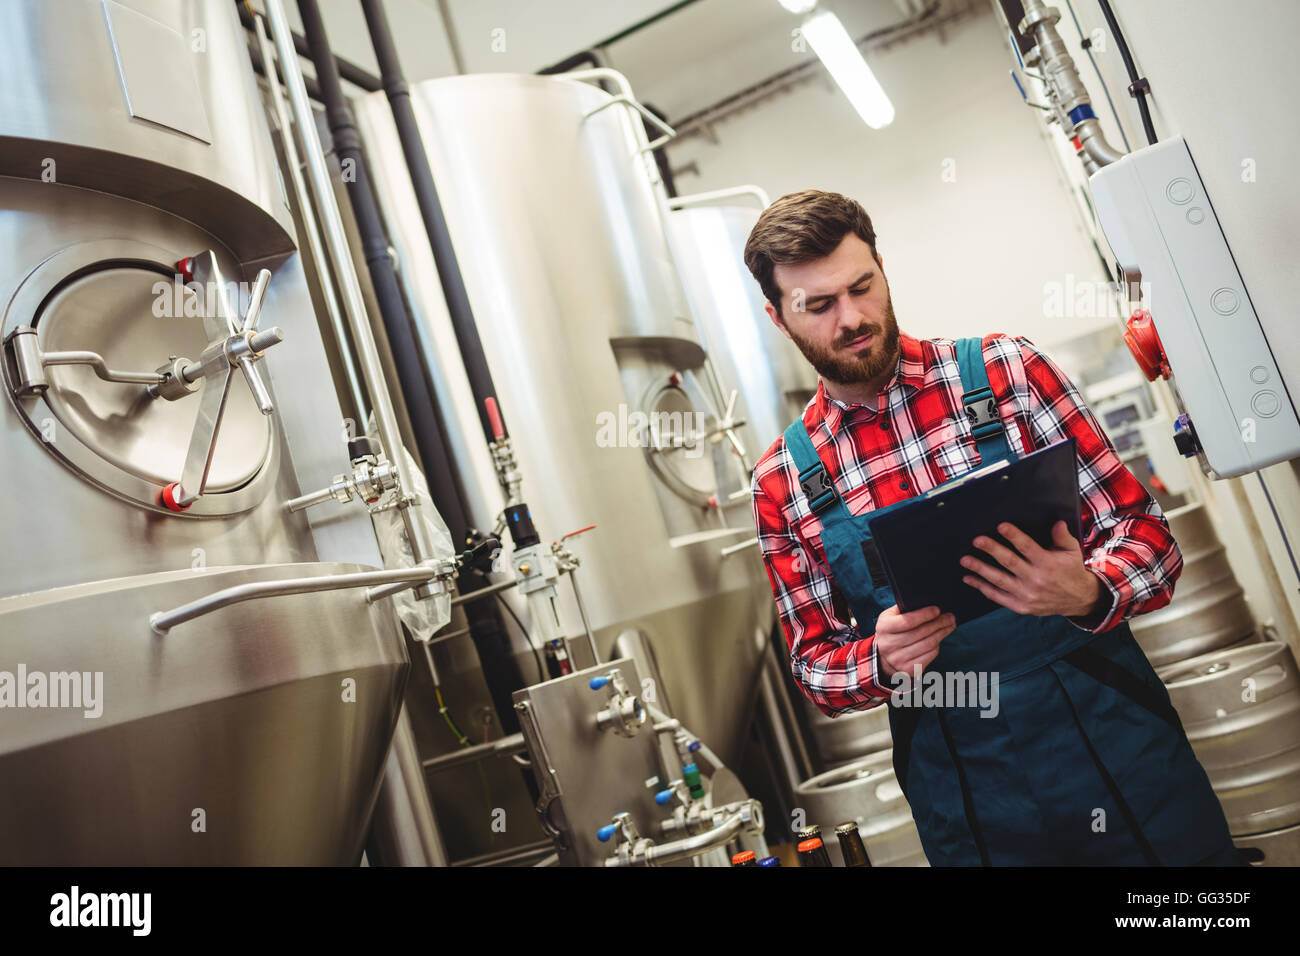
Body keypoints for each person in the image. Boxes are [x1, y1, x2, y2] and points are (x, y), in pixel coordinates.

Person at [745, 189, 1241, 866]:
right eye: (820, 305)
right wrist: (877, 660)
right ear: (779, 317)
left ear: (883, 269)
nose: (853, 318)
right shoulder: (782, 480)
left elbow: (1148, 538)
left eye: (862, 287)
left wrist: (1090, 591)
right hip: (968, 798)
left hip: (1116, 745)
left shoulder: (1008, 372)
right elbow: (812, 665)